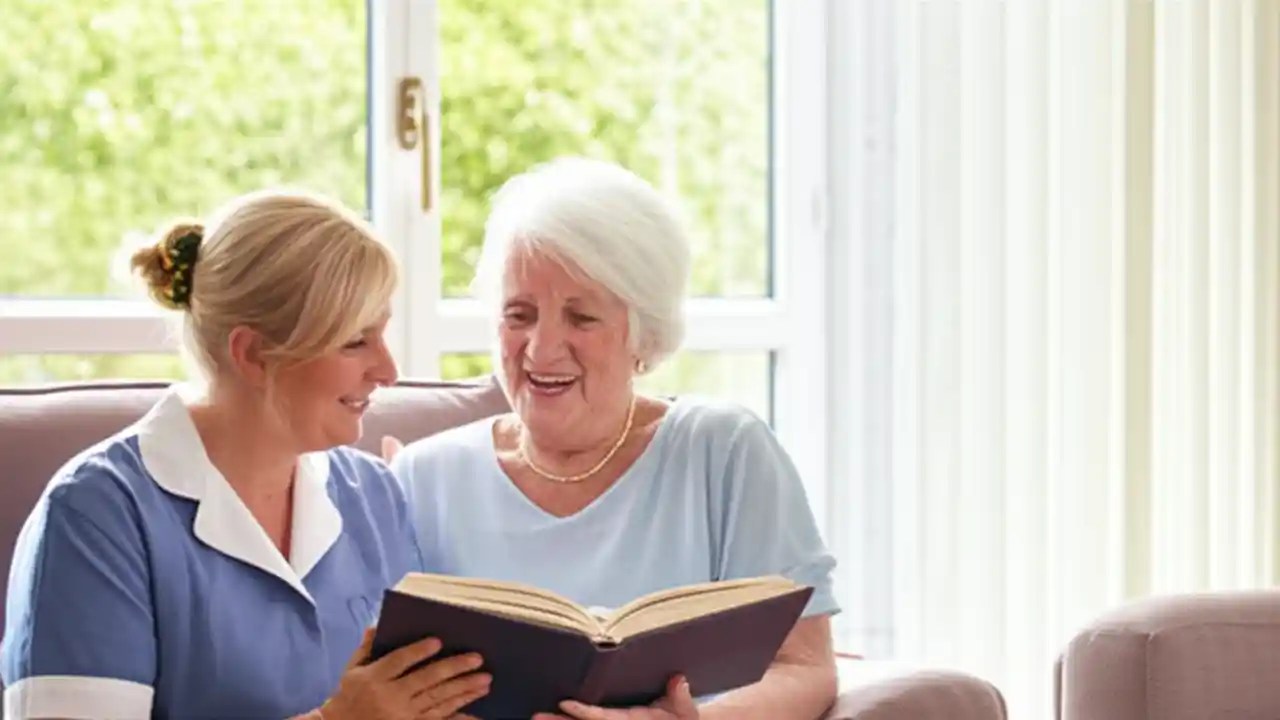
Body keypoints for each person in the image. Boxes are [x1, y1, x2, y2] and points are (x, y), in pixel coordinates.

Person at [0, 190, 491, 719]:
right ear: (253, 354)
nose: (388, 370)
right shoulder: (96, 515)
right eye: (356, 342)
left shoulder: (374, 497)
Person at [388, 158, 840, 720]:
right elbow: (380, 688)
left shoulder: (724, 451)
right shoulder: (422, 477)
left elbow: (804, 668)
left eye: (581, 319)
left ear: (643, 335)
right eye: (519, 314)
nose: (541, 348)